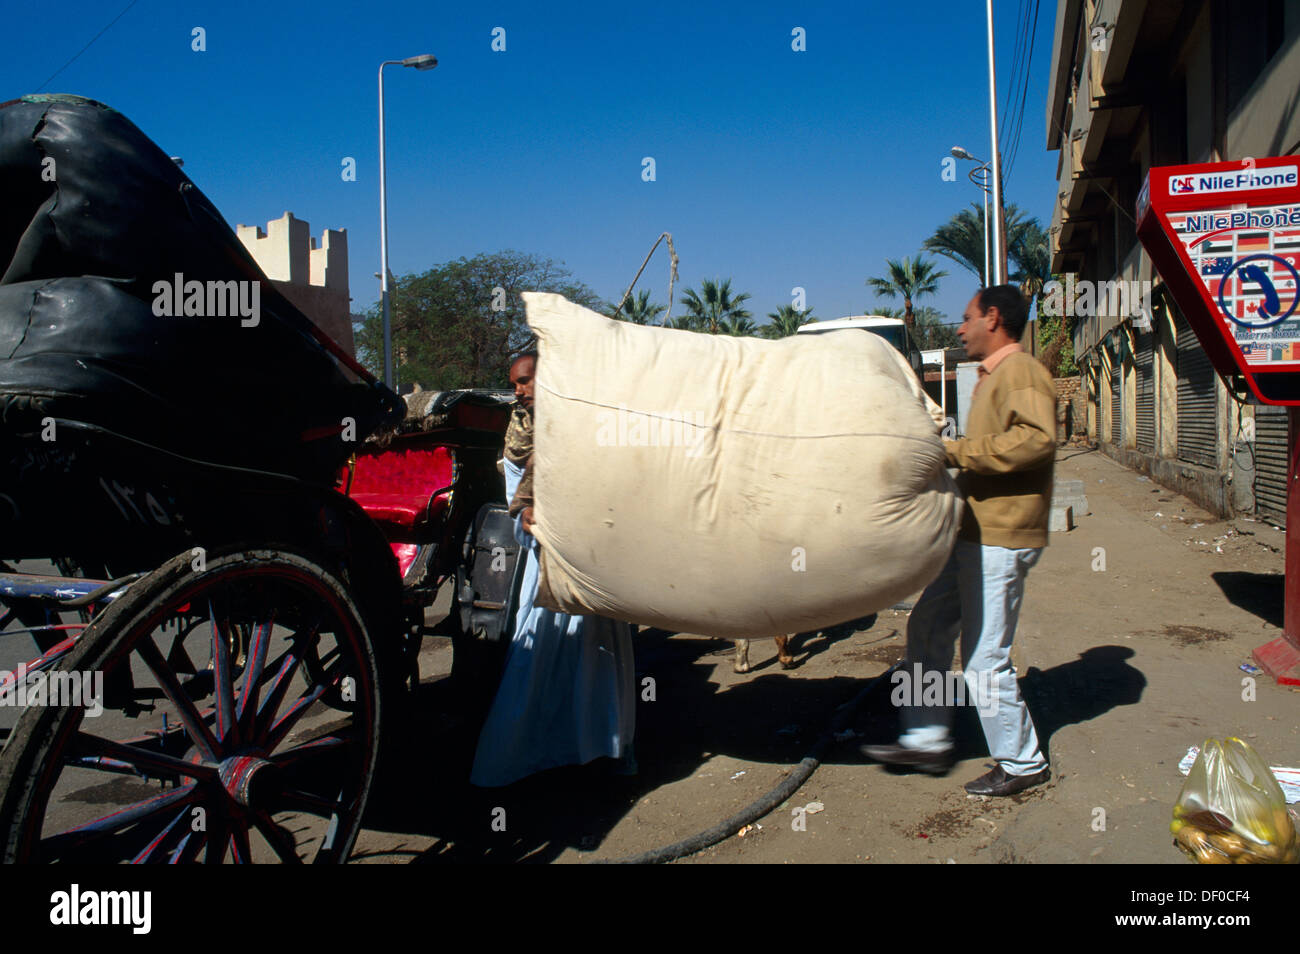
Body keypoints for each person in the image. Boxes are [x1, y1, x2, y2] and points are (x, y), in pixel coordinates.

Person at [861, 284, 1055, 797]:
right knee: (927, 629)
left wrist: (957, 452)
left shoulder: (1022, 372)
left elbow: (1037, 439)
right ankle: (925, 739)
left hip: (1002, 535)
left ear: (994, 318)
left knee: (985, 657)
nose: (960, 328)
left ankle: (1022, 762)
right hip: (974, 534)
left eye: (967, 318)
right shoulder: (992, 377)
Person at [470, 351, 637, 787]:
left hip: (583, 558)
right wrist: (526, 509)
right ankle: (527, 756)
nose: (518, 391)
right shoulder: (519, 434)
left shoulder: (582, 426)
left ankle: (602, 746)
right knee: (537, 646)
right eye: (514, 383)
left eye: (525, 381)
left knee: (593, 654)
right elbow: (515, 491)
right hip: (540, 559)